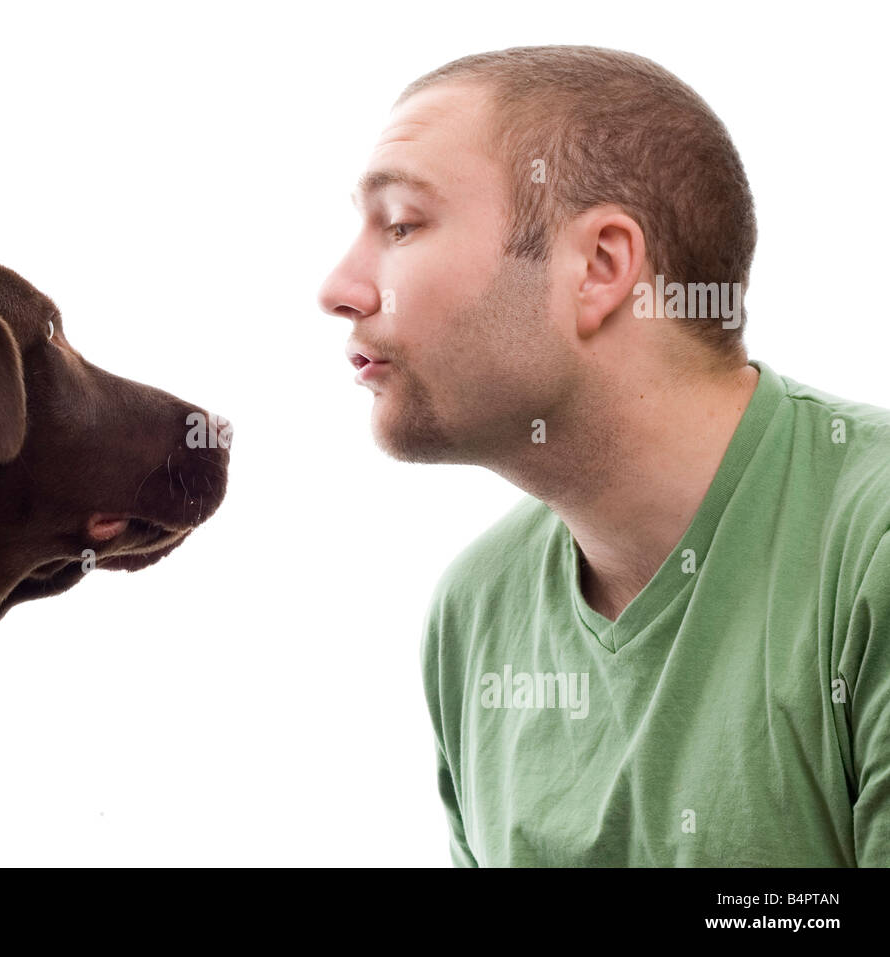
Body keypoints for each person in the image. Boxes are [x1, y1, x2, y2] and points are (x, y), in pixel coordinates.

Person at [317, 44, 890, 866]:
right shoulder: (476, 613)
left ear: (599, 267)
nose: (339, 286)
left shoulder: (870, 552)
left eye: (402, 224)